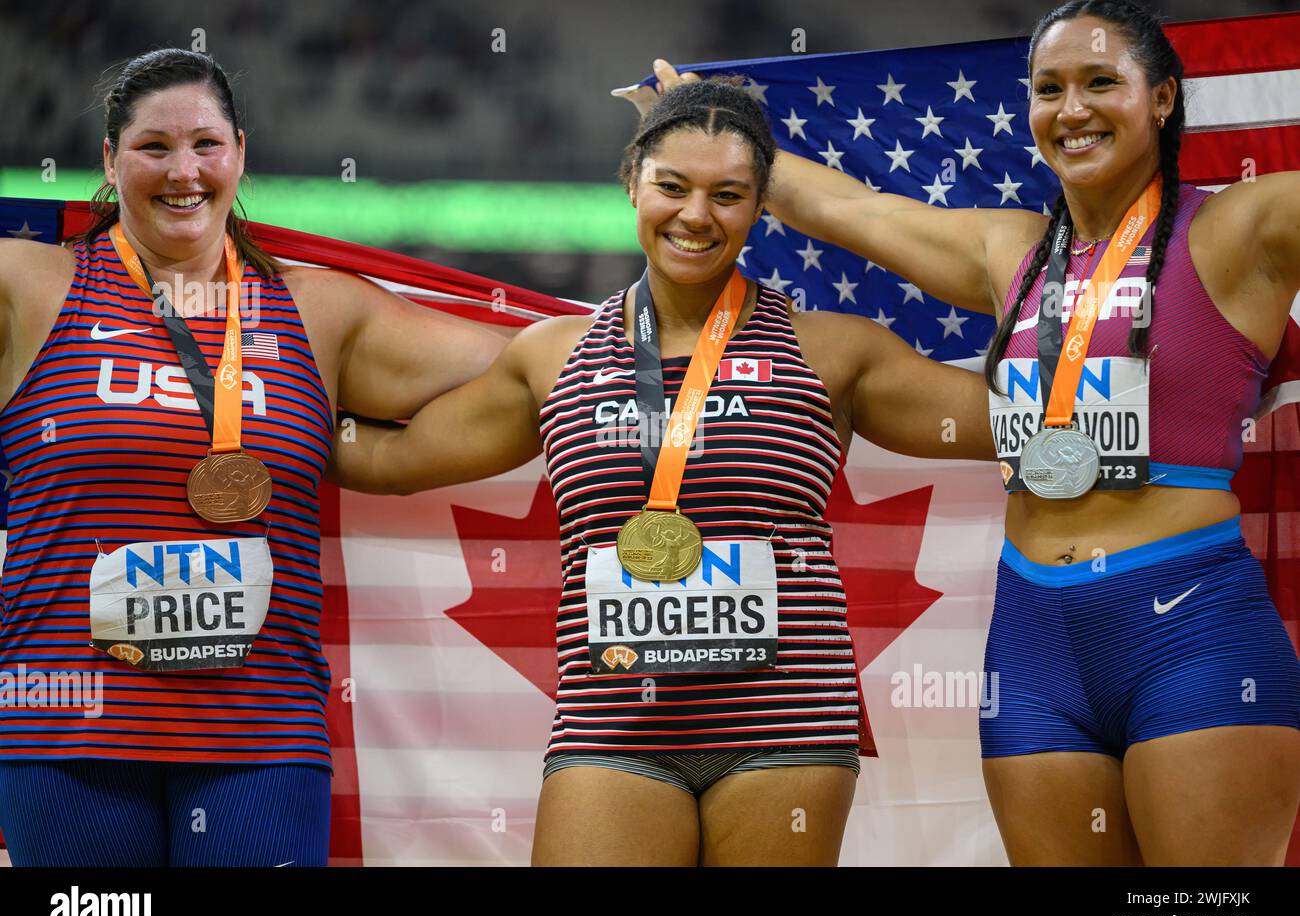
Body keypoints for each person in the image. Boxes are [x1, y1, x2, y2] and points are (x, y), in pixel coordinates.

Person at [642, 0, 1300, 865]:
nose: (1073, 109)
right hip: (1034, 643)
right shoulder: (1010, 251)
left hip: (1191, 630)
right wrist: (698, 125)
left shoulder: (1243, 229)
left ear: (1165, 98)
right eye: (1049, 88)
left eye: (1103, 82)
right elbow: (852, 211)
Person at [331, 76, 995, 866]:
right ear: (631, 185)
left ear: (760, 207)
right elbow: (397, 461)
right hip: (612, 729)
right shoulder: (554, 355)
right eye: (671, 187)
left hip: (785, 726)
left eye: (728, 194)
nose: (695, 215)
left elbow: (1020, 417)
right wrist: (232, 421)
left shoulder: (831, 351)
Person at [0, 49, 511, 866]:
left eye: (206, 144)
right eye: (152, 147)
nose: (183, 171)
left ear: (241, 151)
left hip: (259, 734)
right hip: (67, 725)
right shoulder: (31, 289)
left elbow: (536, 367)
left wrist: (687, 322)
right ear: (107, 159)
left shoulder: (322, 312)